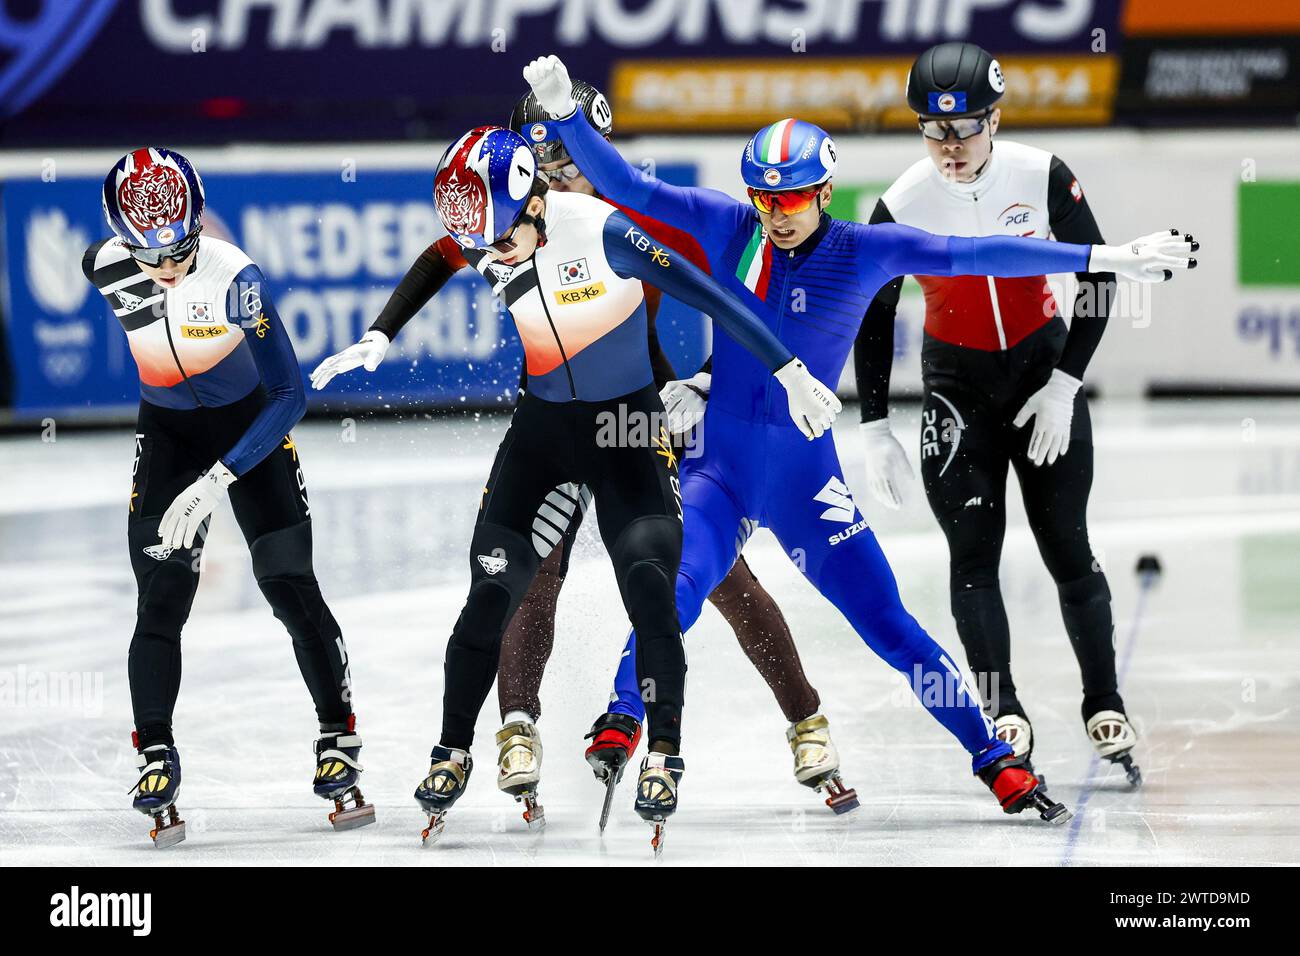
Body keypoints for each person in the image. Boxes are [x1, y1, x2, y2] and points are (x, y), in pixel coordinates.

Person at [523, 54, 1195, 823]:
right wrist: (568, 120)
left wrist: (1101, 258)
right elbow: (632, 190)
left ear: (825, 192)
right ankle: (623, 718)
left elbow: (974, 256)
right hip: (723, 473)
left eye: (795, 199)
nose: (777, 214)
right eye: (766, 198)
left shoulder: (864, 249)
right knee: (673, 593)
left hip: (808, 485)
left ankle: (996, 760)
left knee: (890, 628)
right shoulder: (726, 225)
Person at [311, 125, 838, 849]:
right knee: (500, 588)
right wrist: (381, 334)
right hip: (545, 434)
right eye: (483, 247)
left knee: (668, 582)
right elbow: (440, 256)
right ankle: (469, 743)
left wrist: (784, 371)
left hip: (630, 429)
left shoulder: (613, 227)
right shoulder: (491, 219)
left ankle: (701, 742)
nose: (491, 257)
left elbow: (720, 293)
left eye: (504, 241)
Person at [506, 84, 850, 819]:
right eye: (542, 165)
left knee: (713, 573)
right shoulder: (516, 222)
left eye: (569, 162)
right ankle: (518, 729)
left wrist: (701, 379)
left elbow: (738, 306)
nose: (558, 178)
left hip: (640, 413)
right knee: (537, 565)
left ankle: (806, 722)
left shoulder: (639, 216)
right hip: (559, 414)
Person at [854, 42, 1185, 786]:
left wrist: (1067, 383)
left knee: (1068, 548)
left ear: (995, 119)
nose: (950, 149)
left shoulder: (1043, 175)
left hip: (1041, 369)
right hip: (956, 387)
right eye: (933, 132)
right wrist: (873, 424)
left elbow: (1102, 275)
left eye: (966, 129)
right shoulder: (903, 198)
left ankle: (1104, 699)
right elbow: (874, 315)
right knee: (973, 558)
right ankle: (1002, 705)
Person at [82, 147, 373, 847]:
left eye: (182, 248)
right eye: (151, 257)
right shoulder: (102, 264)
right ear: (123, 239)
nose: (170, 267)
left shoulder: (236, 277)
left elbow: (290, 393)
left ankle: (338, 737)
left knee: (285, 581)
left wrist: (220, 479)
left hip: (251, 428)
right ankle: (155, 753)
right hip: (168, 434)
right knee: (161, 595)